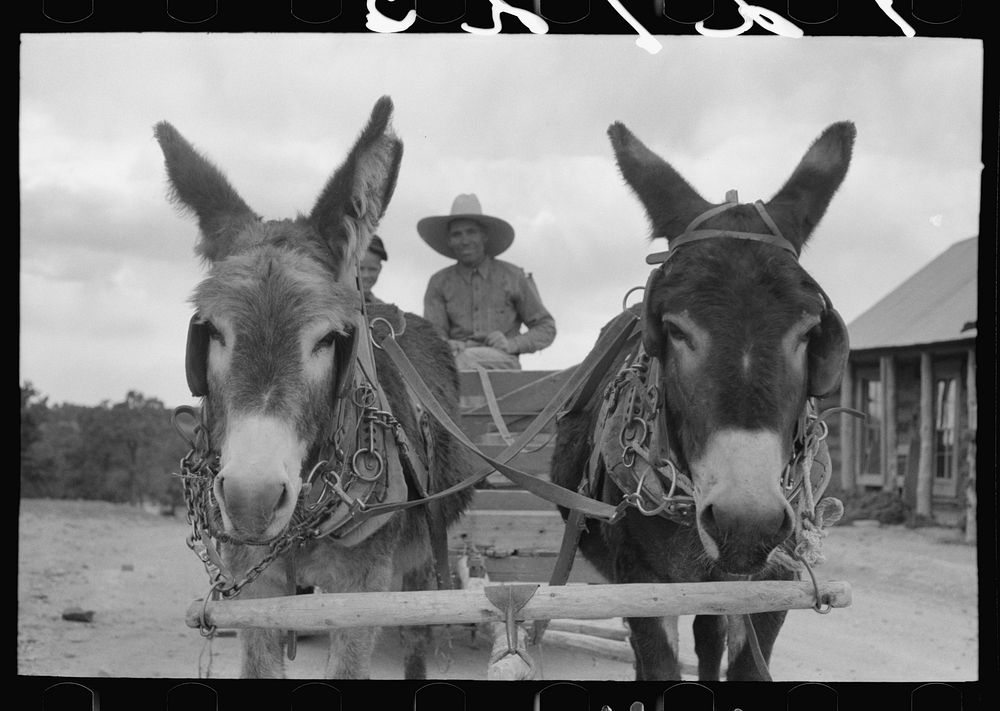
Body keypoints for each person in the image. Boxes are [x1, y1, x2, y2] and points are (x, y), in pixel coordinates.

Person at [419, 194, 556, 370]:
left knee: (464, 361)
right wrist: (447, 345)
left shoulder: (513, 276)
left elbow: (546, 328)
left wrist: (511, 344)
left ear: (484, 236)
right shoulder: (439, 282)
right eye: (457, 234)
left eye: (471, 232)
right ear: (449, 241)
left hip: (502, 366)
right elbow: (433, 335)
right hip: (454, 364)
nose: (465, 241)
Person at [360, 234, 387, 304]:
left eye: (372, 269)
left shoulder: (383, 309)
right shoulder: (332, 305)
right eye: (360, 268)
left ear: (380, 269)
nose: (366, 275)